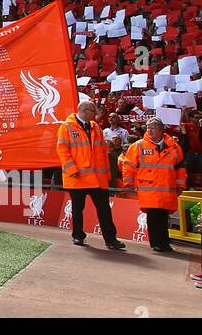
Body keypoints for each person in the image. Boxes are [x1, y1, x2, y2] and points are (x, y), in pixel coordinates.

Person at [56, 100, 126, 250]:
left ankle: (111, 239)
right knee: (77, 209)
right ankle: (78, 236)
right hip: (77, 177)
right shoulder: (66, 127)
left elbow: (102, 152)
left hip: (97, 178)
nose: (96, 115)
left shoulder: (96, 127)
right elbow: (62, 150)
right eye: (94, 112)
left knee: (104, 209)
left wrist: (107, 173)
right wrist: (72, 169)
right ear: (84, 111)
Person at [119, 118, 186, 253]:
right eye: (148, 128)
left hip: (166, 188)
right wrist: (129, 182)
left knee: (163, 216)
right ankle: (157, 243)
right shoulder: (138, 146)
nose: (149, 130)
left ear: (161, 130)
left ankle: (163, 243)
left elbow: (181, 168)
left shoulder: (174, 147)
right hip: (148, 188)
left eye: (153, 128)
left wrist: (180, 186)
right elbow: (128, 165)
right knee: (153, 217)